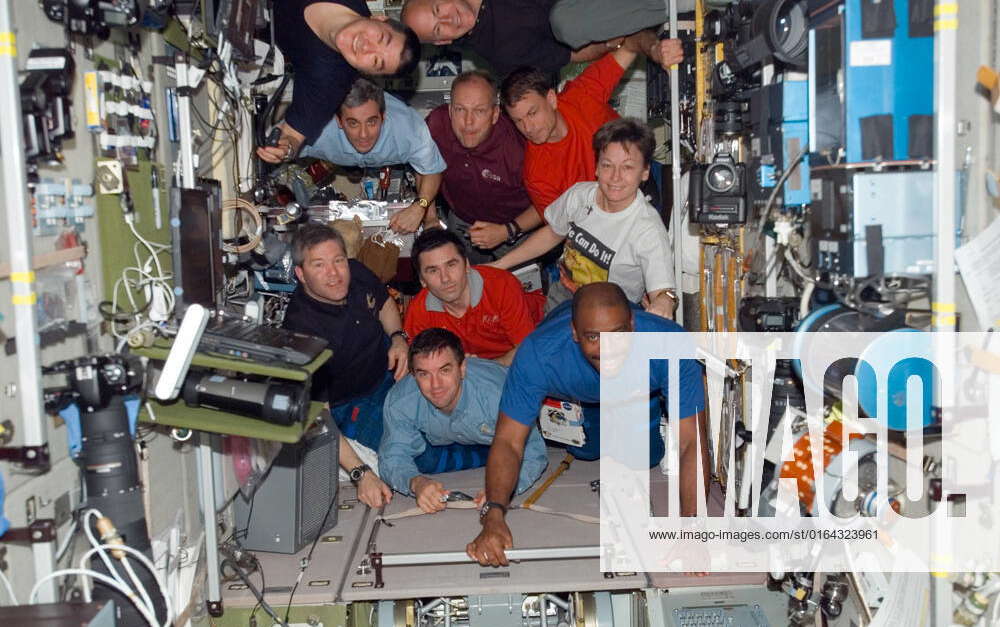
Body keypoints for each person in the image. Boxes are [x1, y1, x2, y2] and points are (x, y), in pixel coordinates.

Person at [465, 283, 708, 566]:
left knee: (645, 456)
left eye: (618, 335)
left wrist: (693, 530)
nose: (608, 349)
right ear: (574, 333)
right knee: (586, 450)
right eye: (593, 337)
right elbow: (508, 441)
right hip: (578, 394)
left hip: (639, 388)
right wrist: (494, 515)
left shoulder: (670, 343)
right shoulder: (538, 354)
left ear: (632, 325)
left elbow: (691, 441)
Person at [282, 224, 467, 508]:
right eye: (319, 265)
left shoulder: (355, 271)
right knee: (416, 455)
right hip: (353, 403)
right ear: (301, 274)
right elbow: (318, 414)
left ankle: (492, 441)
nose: (334, 273)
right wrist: (360, 473)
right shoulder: (302, 332)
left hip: (389, 369)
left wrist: (398, 338)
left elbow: (384, 304)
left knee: (450, 410)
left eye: (338, 260)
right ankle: (485, 456)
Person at [490, 118, 676, 318]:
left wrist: (664, 302)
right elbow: (553, 232)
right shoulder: (579, 196)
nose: (615, 177)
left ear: (645, 172)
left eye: (627, 167)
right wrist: (498, 266)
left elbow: (663, 292)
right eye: (607, 165)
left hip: (610, 315)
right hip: (562, 299)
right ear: (596, 167)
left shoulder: (648, 228)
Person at [500, 37, 679, 218]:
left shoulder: (583, 94)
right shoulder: (536, 175)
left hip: (652, 180)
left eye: (532, 113)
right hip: (615, 220)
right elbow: (566, 229)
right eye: (518, 121)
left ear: (551, 99)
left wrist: (656, 49)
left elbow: (631, 45)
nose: (528, 128)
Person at [379, 328, 548, 513]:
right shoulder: (401, 400)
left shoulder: (499, 394)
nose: (435, 385)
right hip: (440, 439)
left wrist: (502, 490)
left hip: (500, 437)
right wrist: (416, 483)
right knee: (411, 461)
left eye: (444, 370)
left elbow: (534, 453)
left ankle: (489, 457)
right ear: (413, 375)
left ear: (462, 369)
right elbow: (392, 457)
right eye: (424, 374)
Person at [256, 0, 420, 166]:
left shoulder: (330, 82)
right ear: (379, 19)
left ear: (367, 73)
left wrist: (285, 150)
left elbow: (292, 136)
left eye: (376, 62)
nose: (367, 48)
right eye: (381, 38)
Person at [299, 78, 447, 233]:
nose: (364, 135)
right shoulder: (315, 126)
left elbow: (431, 170)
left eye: (371, 122)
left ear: (383, 117)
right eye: (353, 123)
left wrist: (421, 209)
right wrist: (284, 148)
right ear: (339, 121)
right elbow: (279, 146)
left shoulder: (408, 129)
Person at [425, 70, 541, 263]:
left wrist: (507, 231)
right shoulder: (436, 125)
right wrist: (429, 217)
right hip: (462, 221)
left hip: (515, 229)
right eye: (460, 110)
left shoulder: (521, 145)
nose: (468, 122)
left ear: (495, 114)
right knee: (465, 285)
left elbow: (547, 203)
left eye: (479, 111)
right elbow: (424, 166)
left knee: (516, 289)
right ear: (450, 110)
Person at [400, 0, 684, 77]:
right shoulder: (502, 55)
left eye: (438, 9)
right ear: (441, 43)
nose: (448, 19)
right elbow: (580, 52)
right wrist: (645, 44)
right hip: (624, 7)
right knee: (567, 24)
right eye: (438, 29)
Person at [405, 229, 544, 366]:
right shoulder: (418, 312)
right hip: (466, 371)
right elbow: (423, 366)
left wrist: (481, 370)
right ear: (422, 280)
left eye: (451, 264)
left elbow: (527, 350)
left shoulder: (501, 285)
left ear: (466, 265)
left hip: (527, 350)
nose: (445, 278)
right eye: (433, 270)